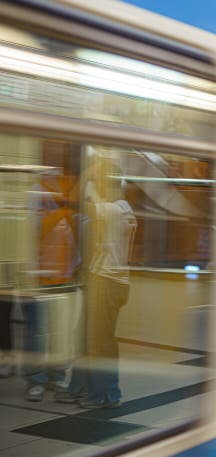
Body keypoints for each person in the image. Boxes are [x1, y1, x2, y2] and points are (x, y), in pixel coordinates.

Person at [57, 152, 136, 408]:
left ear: (109, 185)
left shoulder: (113, 211)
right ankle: (83, 387)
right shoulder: (121, 209)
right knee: (89, 337)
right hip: (107, 279)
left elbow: (74, 200)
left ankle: (106, 394)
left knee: (100, 342)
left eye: (101, 184)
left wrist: (89, 171)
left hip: (107, 282)